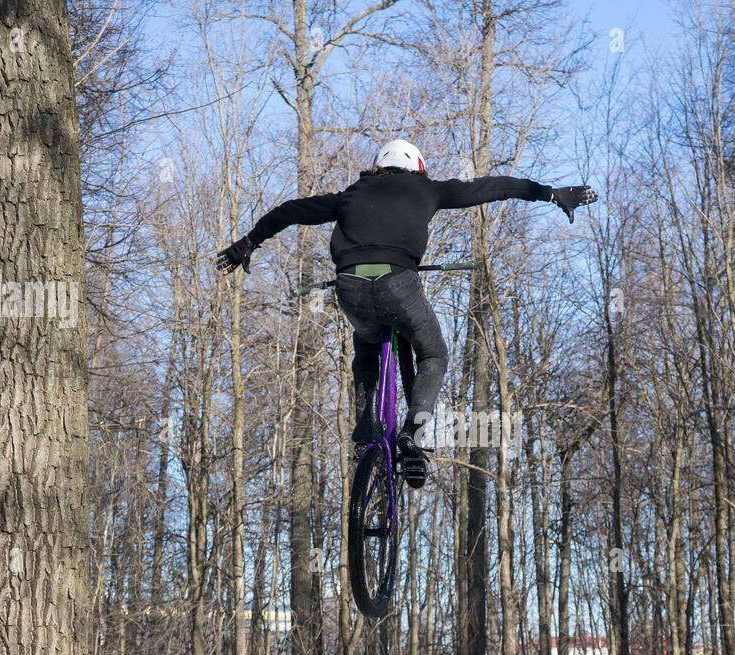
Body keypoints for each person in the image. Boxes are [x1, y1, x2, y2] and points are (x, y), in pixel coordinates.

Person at [215, 138, 598, 488]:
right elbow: (493, 187)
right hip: (399, 283)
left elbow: (292, 211)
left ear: (379, 166)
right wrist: (550, 194)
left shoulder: (351, 194)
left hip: (350, 285)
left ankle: (366, 423)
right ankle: (412, 431)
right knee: (433, 352)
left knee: (365, 345)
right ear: (417, 166)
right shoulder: (428, 189)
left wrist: (248, 242)